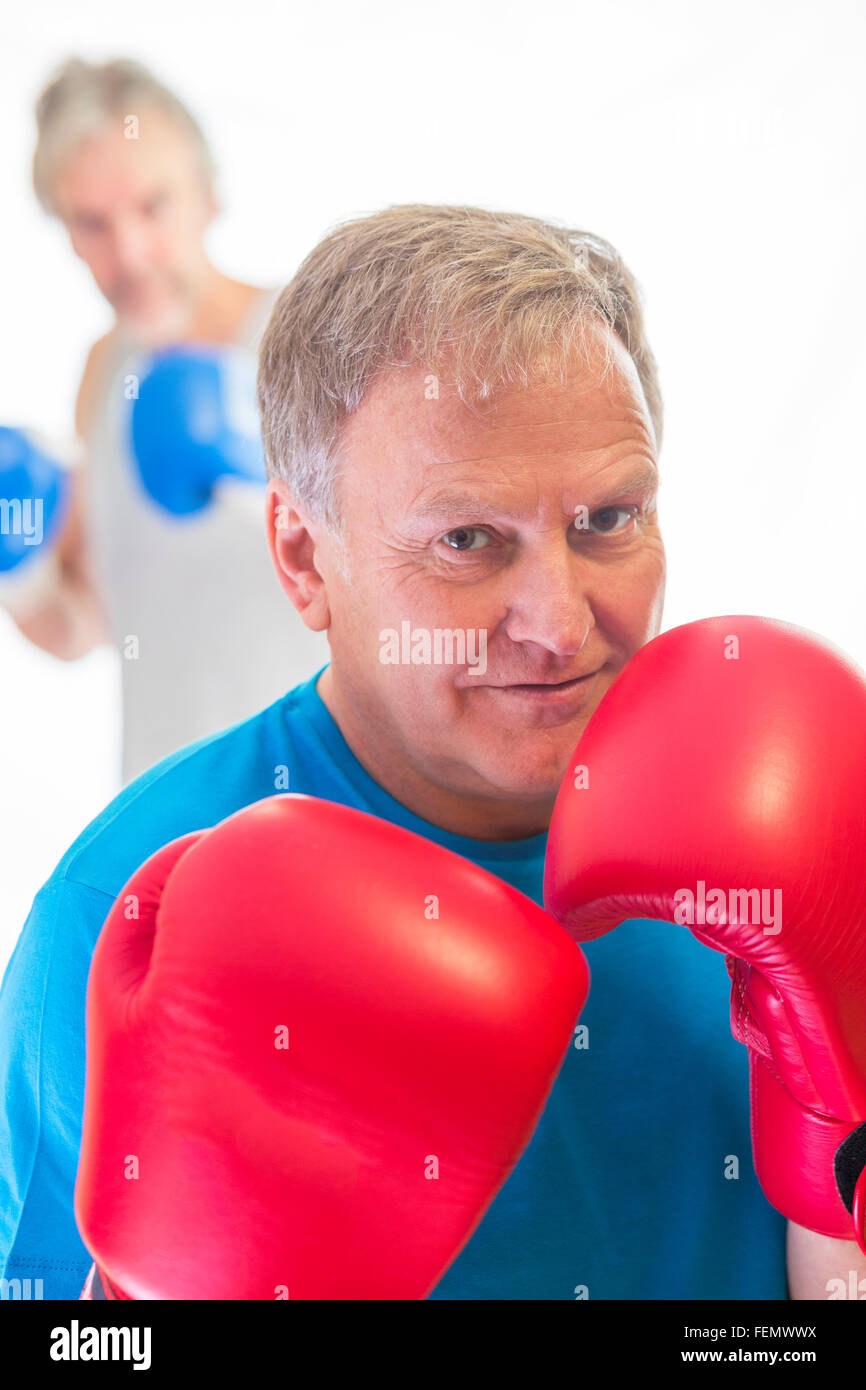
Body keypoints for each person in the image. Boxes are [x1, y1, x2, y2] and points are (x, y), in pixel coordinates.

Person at [1, 204, 862, 1299]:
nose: (557, 619)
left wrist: (841, 1161)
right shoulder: (120, 906)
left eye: (605, 518)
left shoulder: (806, 814)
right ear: (304, 558)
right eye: (467, 541)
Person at [3, 57, 326, 783]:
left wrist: (250, 485)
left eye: (154, 206)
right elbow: (91, 624)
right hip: (160, 819)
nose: (130, 255)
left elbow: (408, 572)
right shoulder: (101, 371)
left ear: (209, 196)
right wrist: (19, 569)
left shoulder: (305, 336)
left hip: (315, 809)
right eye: (92, 223)